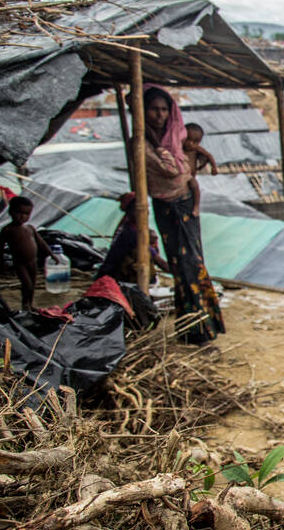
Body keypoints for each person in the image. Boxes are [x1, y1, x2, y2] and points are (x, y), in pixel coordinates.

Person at [134, 85, 224, 344]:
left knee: (192, 263)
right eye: (153, 109)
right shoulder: (142, 142)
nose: (159, 115)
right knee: (182, 266)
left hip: (184, 205)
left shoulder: (176, 139)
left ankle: (201, 327)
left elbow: (178, 169)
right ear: (144, 111)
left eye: (164, 109)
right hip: (167, 207)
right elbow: (172, 170)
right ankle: (193, 329)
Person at [0, 196, 59, 311]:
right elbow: (0, 248)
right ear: (11, 212)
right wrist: (2, 263)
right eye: (19, 212)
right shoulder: (7, 230)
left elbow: (42, 243)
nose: (23, 216)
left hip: (33, 261)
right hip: (20, 262)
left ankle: (29, 304)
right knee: (27, 284)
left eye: (26, 213)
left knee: (32, 285)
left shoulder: (30, 228)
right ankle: (25, 305)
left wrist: (52, 255)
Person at [96, 193, 169, 284]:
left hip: (109, 272)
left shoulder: (128, 225)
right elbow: (160, 262)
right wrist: (179, 273)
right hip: (115, 276)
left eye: (147, 208)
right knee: (141, 254)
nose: (146, 212)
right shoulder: (132, 233)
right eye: (138, 209)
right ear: (129, 211)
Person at [182, 123, 218, 218]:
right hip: (181, 176)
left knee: (194, 186)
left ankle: (196, 206)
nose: (191, 144)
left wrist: (214, 168)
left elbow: (209, 156)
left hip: (190, 177)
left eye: (195, 141)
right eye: (188, 139)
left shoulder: (196, 149)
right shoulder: (178, 148)